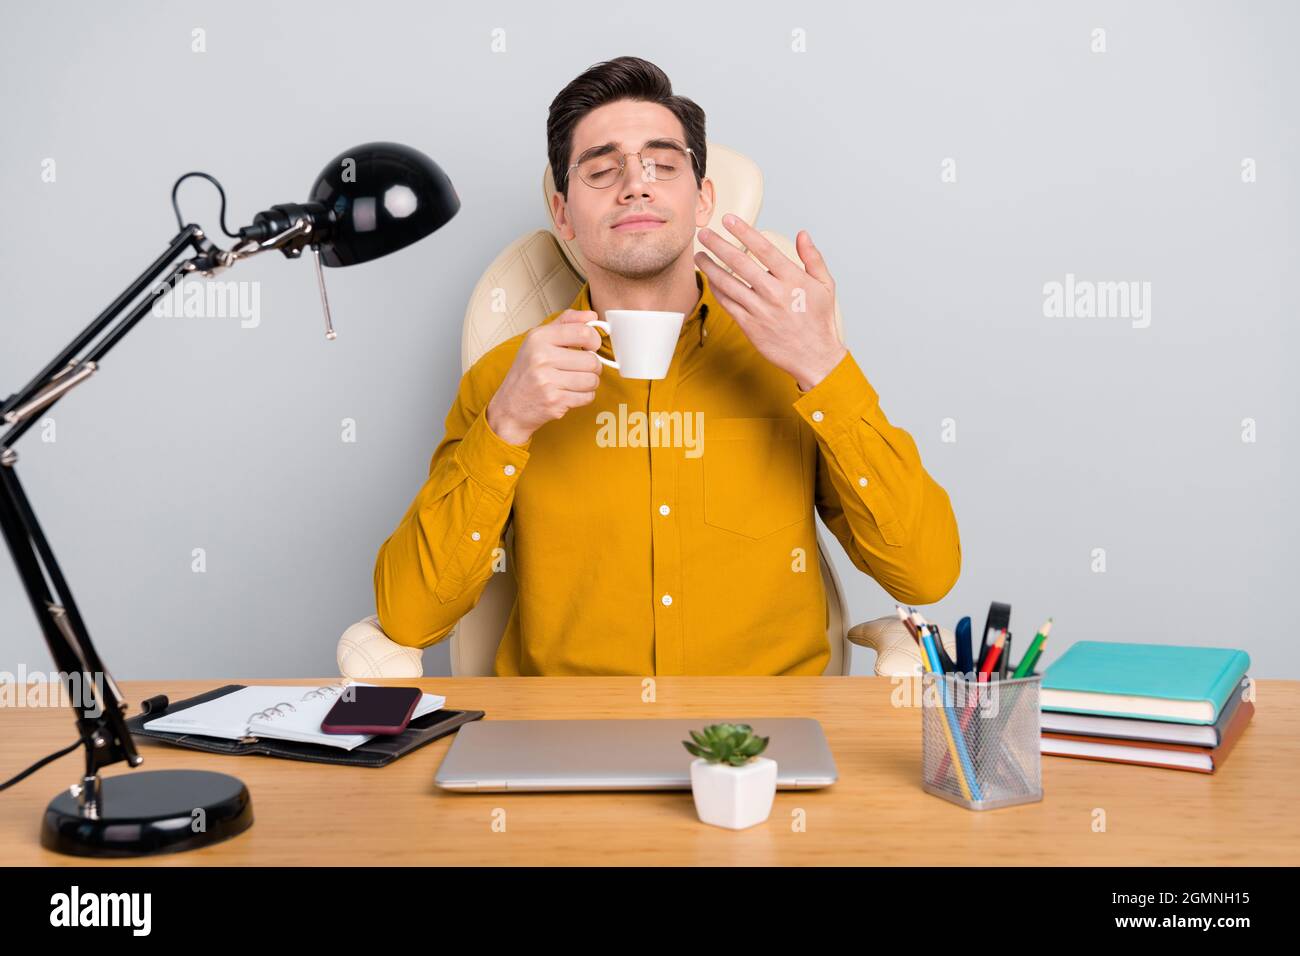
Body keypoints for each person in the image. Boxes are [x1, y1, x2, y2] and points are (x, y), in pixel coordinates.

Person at [373, 56, 960, 675]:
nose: (635, 184)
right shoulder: (505, 381)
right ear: (563, 214)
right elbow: (411, 617)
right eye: (602, 169)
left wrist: (824, 368)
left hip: (766, 744)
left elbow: (924, 573)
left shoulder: (792, 364)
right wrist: (505, 427)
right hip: (565, 742)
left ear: (702, 199)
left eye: (663, 164)